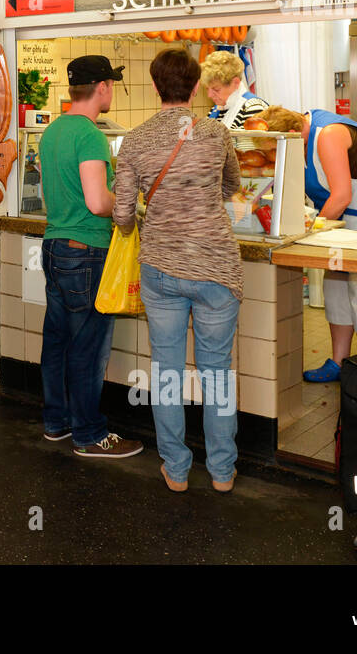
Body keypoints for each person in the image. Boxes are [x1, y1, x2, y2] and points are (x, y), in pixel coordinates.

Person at [114, 48, 242, 493]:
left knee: (167, 369)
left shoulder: (135, 140)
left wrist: (150, 214)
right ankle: (223, 472)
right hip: (215, 268)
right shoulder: (214, 131)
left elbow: (123, 215)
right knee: (218, 372)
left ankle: (177, 468)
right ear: (195, 88)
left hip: (161, 268)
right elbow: (232, 186)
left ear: (154, 86)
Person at [257, 105, 357, 383]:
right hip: (338, 220)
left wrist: (309, 230)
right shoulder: (299, 139)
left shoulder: (328, 134)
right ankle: (339, 363)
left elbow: (341, 195)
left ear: (293, 134)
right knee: (336, 287)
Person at [38, 55, 143, 460]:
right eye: (111, 84)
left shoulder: (53, 131)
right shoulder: (90, 135)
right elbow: (98, 201)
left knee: (57, 340)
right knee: (87, 347)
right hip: (87, 252)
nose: (112, 91)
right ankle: (89, 434)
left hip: (54, 245)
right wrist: (129, 204)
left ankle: (56, 422)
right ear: (101, 87)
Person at [201, 50, 268, 150]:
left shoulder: (253, 108)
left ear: (236, 83)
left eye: (216, 89)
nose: (209, 95)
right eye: (207, 89)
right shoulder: (215, 110)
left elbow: (251, 155)